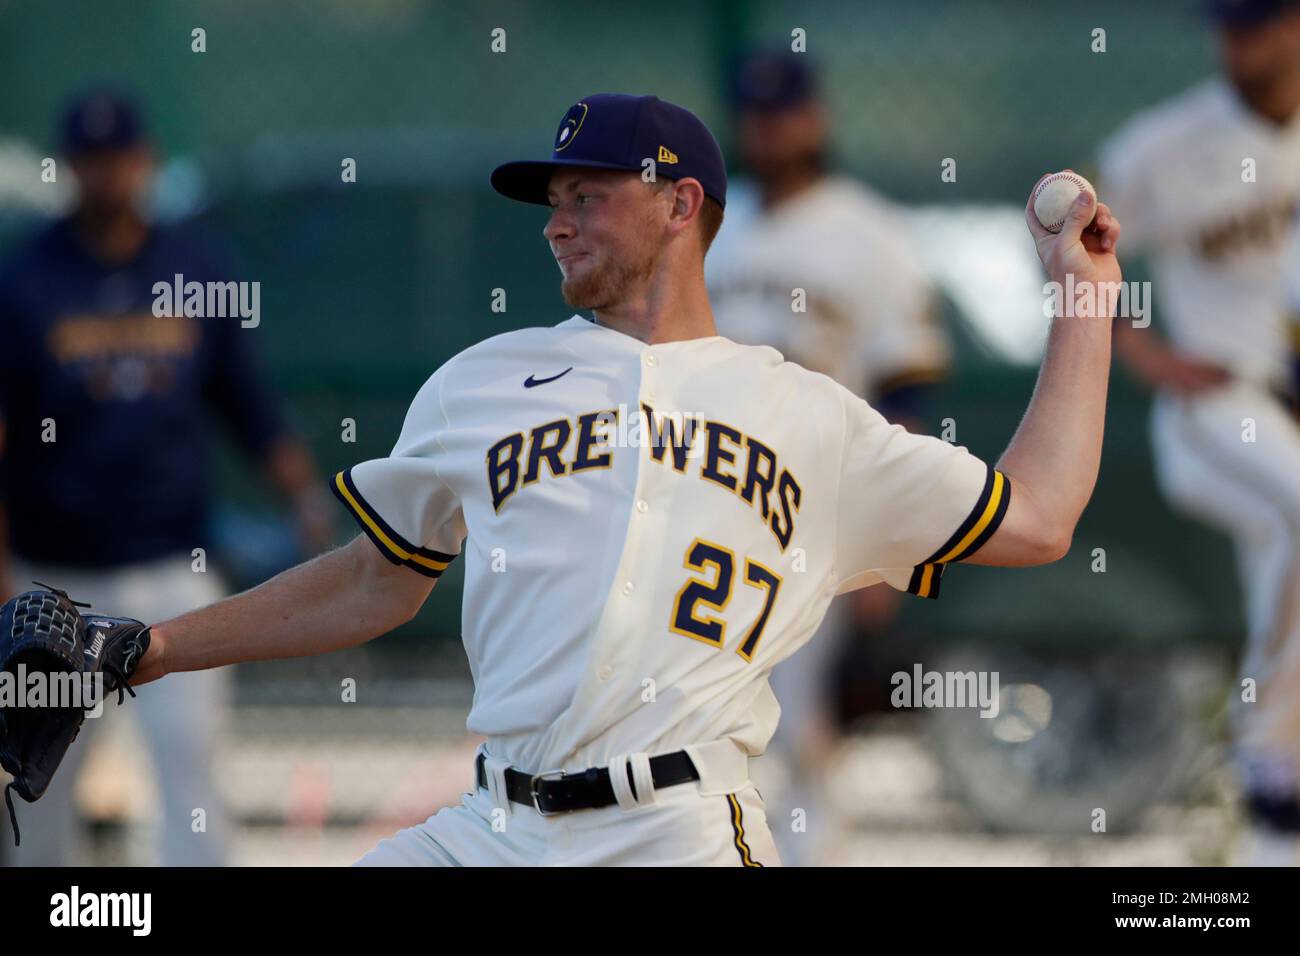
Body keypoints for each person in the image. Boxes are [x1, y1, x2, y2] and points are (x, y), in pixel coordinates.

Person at [120, 92, 1119, 866]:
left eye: (587, 195)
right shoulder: (480, 383)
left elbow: (1034, 515)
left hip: (674, 830)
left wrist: (1084, 298)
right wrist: (154, 645)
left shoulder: (809, 416)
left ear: (680, 203)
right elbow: (370, 578)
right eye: (553, 203)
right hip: (492, 827)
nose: (557, 222)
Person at [0, 91, 333, 864]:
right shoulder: (28, 278)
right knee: (36, 786)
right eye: (91, 161)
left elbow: (245, 401)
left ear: (145, 162)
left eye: (120, 159)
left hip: (170, 571)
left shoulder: (193, 265)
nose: (107, 176)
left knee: (193, 782)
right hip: (53, 580)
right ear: (71, 168)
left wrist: (301, 494)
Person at [706, 52, 948, 863]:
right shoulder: (711, 223)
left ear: (817, 118)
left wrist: (892, 545)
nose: (771, 128)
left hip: (812, 500)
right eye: (757, 112)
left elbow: (904, 393)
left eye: (786, 111)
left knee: (801, 724)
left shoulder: (870, 231)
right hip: (700, 491)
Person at [1097, 0, 1300, 859]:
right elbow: (1067, 254)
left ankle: (1271, 817)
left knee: (1282, 569)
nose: (1240, 40)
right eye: (1229, 23)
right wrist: (1151, 360)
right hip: (1220, 403)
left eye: (1259, 21)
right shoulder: (1164, 144)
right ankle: (1263, 749)